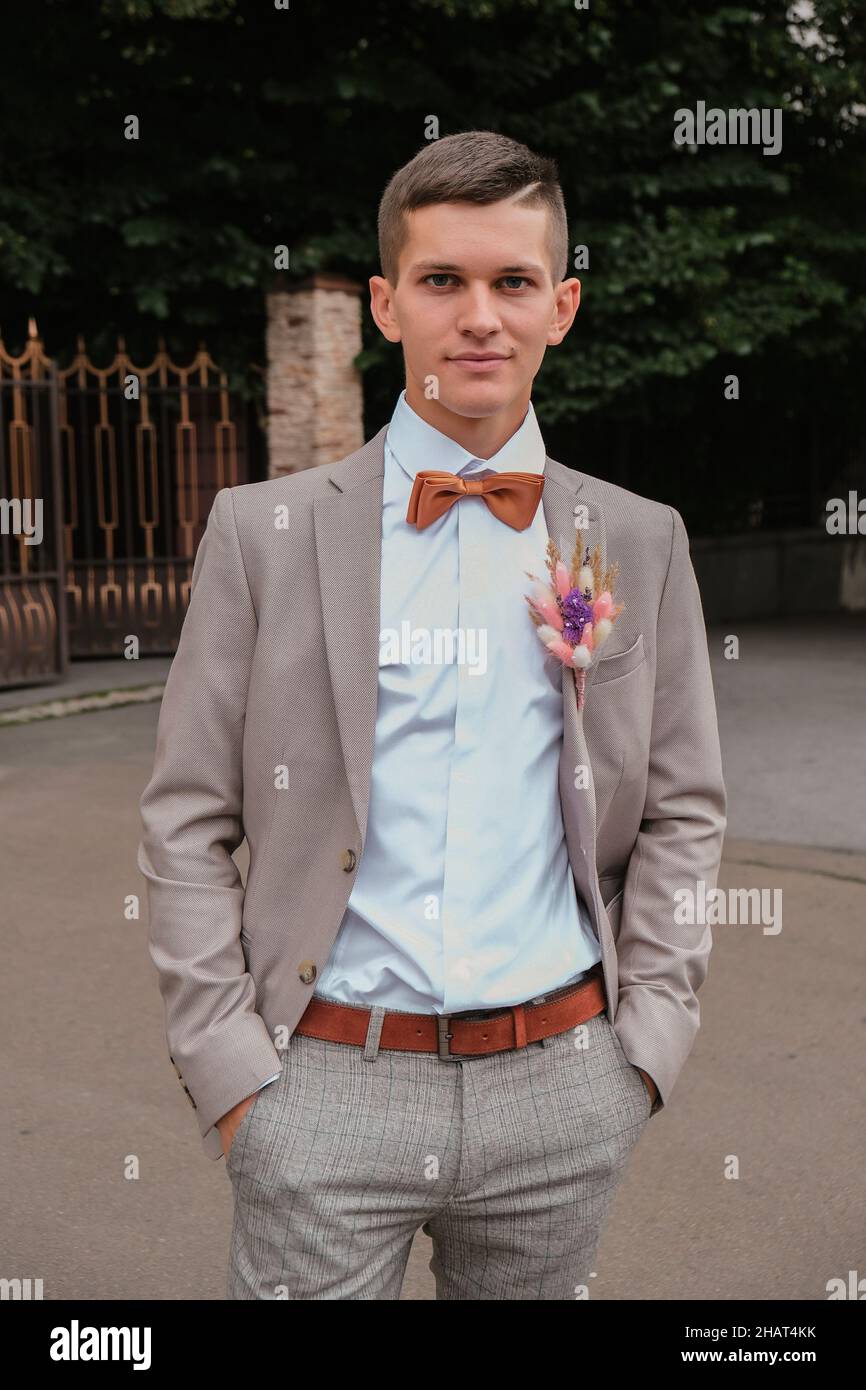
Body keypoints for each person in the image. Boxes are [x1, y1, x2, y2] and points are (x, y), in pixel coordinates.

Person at [138, 129, 726, 1300]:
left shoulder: (636, 538)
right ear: (383, 303)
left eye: (511, 282)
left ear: (560, 305)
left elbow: (682, 810)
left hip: (562, 1086)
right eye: (441, 280)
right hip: (321, 1084)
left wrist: (644, 1050)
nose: (479, 317)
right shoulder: (263, 533)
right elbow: (186, 821)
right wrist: (234, 1078)